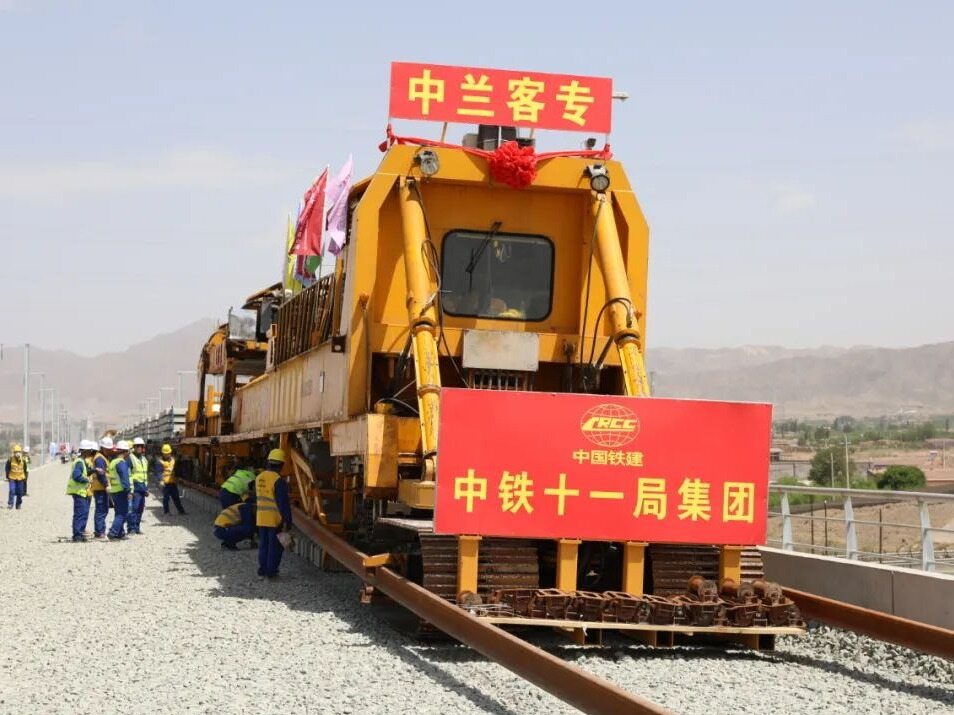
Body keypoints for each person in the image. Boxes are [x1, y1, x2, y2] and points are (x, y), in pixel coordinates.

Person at [255, 449, 293, 580]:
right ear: (281, 465)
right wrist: (287, 520)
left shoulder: (259, 477)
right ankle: (271, 572)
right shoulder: (278, 480)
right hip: (274, 519)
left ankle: (262, 569)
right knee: (275, 547)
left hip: (261, 518)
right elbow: (283, 503)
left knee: (263, 545)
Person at [66, 441, 97, 542]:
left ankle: (81, 532)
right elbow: (77, 476)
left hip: (83, 491)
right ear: (85, 451)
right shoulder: (79, 462)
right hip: (79, 491)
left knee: (84, 513)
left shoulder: (82, 461)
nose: (91, 453)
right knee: (80, 514)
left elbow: (85, 472)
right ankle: (77, 535)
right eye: (90, 451)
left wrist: (94, 470)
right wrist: (87, 480)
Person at [106, 440, 132, 540]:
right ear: (125, 452)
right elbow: (124, 478)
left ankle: (120, 533)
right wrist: (128, 491)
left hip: (114, 490)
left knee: (119, 512)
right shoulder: (121, 463)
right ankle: (113, 533)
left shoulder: (113, 462)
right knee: (122, 513)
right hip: (121, 491)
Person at [90, 438, 113, 540]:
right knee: (101, 510)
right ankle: (99, 532)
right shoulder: (100, 459)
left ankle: (100, 531)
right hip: (100, 487)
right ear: (102, 448)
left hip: (102, 487)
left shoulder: (103, 457)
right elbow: (101, 474)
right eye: (106, 448)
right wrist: (106, 485)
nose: (108, 450)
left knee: (103, 509)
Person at [126, 437, 149, 534]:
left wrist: (146, 488)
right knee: (133, 508)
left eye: (141, 446)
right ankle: (131, 528)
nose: (139, 448)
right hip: (134, 487)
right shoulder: (130, 458)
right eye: (137, 446)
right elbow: (128, 474)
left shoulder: (144, 459)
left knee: (140, 509)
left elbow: (145, 474)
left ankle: (137, 527)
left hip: (143, 487)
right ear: (134, 447)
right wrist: (130, 490)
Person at [155, 444, 186, 515]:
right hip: (165, 484)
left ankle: (181, 511)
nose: (166, 455)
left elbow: (177, 470)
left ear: (170, 453)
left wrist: (180, 478)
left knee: (176, 497)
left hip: (173, 482)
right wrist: (161, 480)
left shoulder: (173, 460)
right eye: (165, 453)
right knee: (166, 498)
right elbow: (158, 472)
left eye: (168, 453)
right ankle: (166, 511)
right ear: (162, 453)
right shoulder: (159, 462)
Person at [5, 444, 28, 509]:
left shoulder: (23, 460)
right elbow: (7, 468)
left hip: (20, 478)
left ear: (20, 452)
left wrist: (25, 478)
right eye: (16, 452)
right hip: (12, 478)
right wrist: (7, 476)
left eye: (18, 452)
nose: (17, 453)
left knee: (20, 492)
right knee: (12, 490)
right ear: (13, 452)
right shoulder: (10, 459)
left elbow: (25, 469)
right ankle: (10, 504)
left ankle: (18, 504)